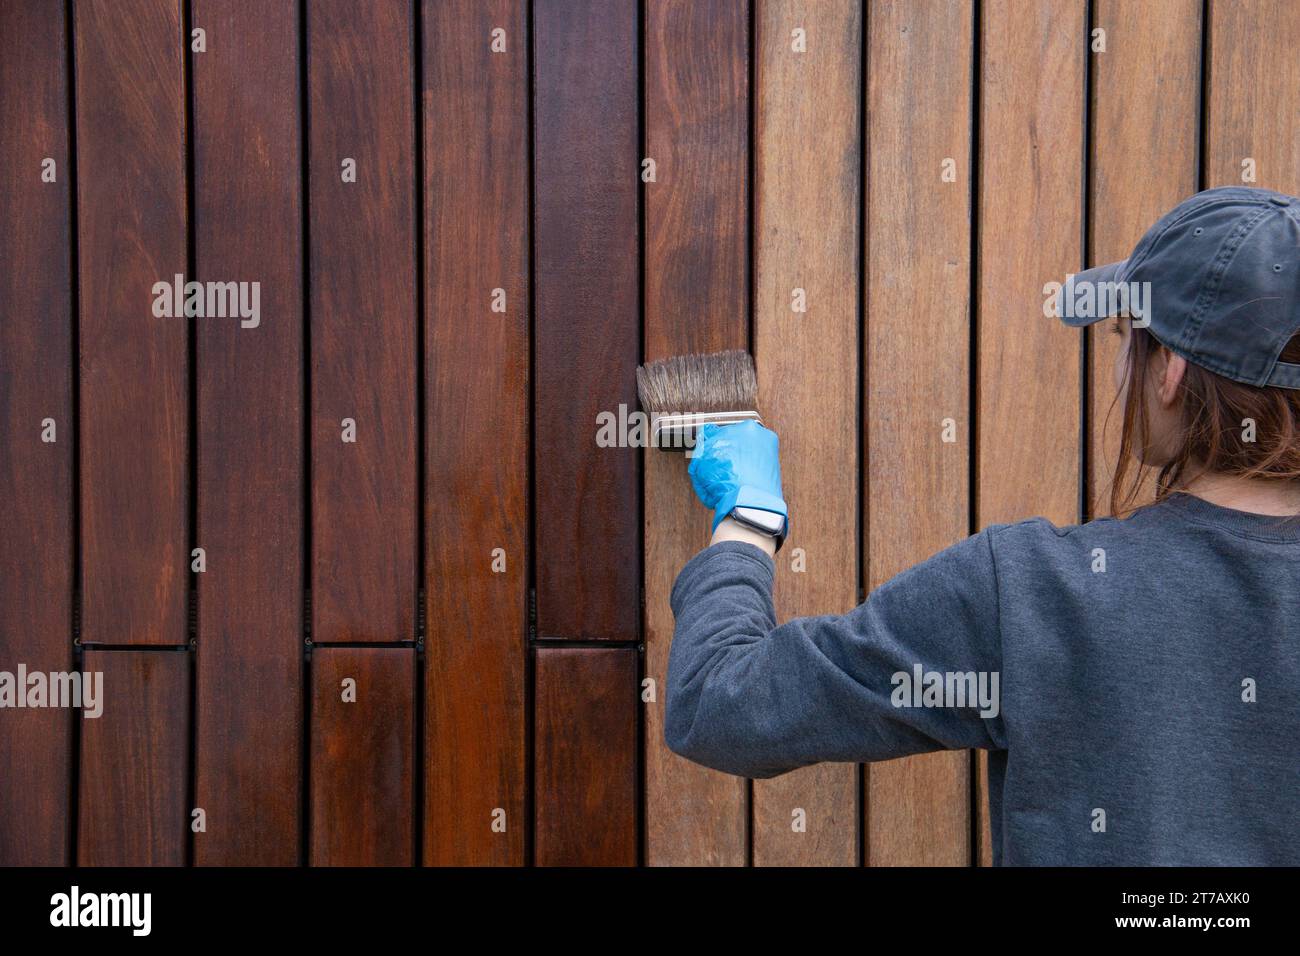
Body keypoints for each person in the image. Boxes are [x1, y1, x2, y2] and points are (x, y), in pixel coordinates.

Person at [665, 186, 1300, 865]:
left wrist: (748, 524)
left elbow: (721, 704)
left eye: (1124, 338)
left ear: (1169, 372)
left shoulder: (1032, 594)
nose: (1120, 367)